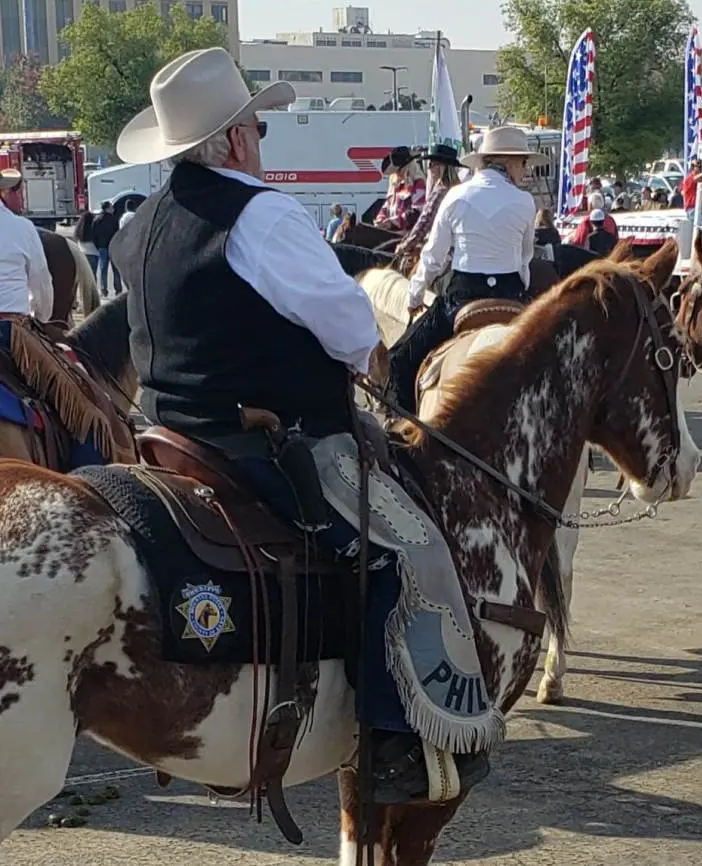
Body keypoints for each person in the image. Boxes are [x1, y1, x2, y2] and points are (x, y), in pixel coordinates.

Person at [108, 47, 496, 804]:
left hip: (166, 435)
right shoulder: (261, 213)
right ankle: (395, 742)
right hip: (263, 441)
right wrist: (366, 358)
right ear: (233, 140)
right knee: (413, 551)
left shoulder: (140, 221)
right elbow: (349, 325)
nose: (261, 139)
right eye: (257, 125)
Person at [387, 126, 546, 413]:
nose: (525, 170)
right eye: (523, 162)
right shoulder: (525, 202)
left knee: (399, 359)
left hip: (461, 298)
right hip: (512, 295)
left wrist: (414, 296)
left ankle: (405, 434)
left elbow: (433, 257)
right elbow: (525, 259)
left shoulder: (456, 196)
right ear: (509, 162)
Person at [0, 168, 53, 322]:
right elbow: (41, 280)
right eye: (16, 191)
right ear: (4, 193)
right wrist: (41, 318)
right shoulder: (24, 227)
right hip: (12, 325)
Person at [395, 144, 463, 259]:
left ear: (442, 167)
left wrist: (406, 245)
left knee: (416, 274)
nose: (429, 168)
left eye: (432, 164)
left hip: (441, 249)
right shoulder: (460, 188)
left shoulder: (440, 191)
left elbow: (425, 221)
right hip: (460, 247)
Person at [373, 147, 426, 233]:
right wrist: (380, 218)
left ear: (408, 168)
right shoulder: (396, 186)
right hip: (393, 234)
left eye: (398, 171)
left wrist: (392, 222)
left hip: (409, 235)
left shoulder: (418, 184)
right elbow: (386, 207)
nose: (396, 174)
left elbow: (417, 212)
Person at [91, 200, 121, 297]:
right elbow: (118, 233)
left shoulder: (97, 220)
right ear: (107, 208)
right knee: (115, 269)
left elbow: (93, 235)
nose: (113, 208)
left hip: (102, 247)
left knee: (103, 269)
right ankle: (118, 289)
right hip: (113, 247)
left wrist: (98, 245)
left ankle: (104, 290)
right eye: (111, 207)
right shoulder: (114, 219)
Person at [73, 210, 99, 275]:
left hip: (82, 253)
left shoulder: (78, 230)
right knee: (93, 276)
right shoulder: (94, 228)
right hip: (93, 253)